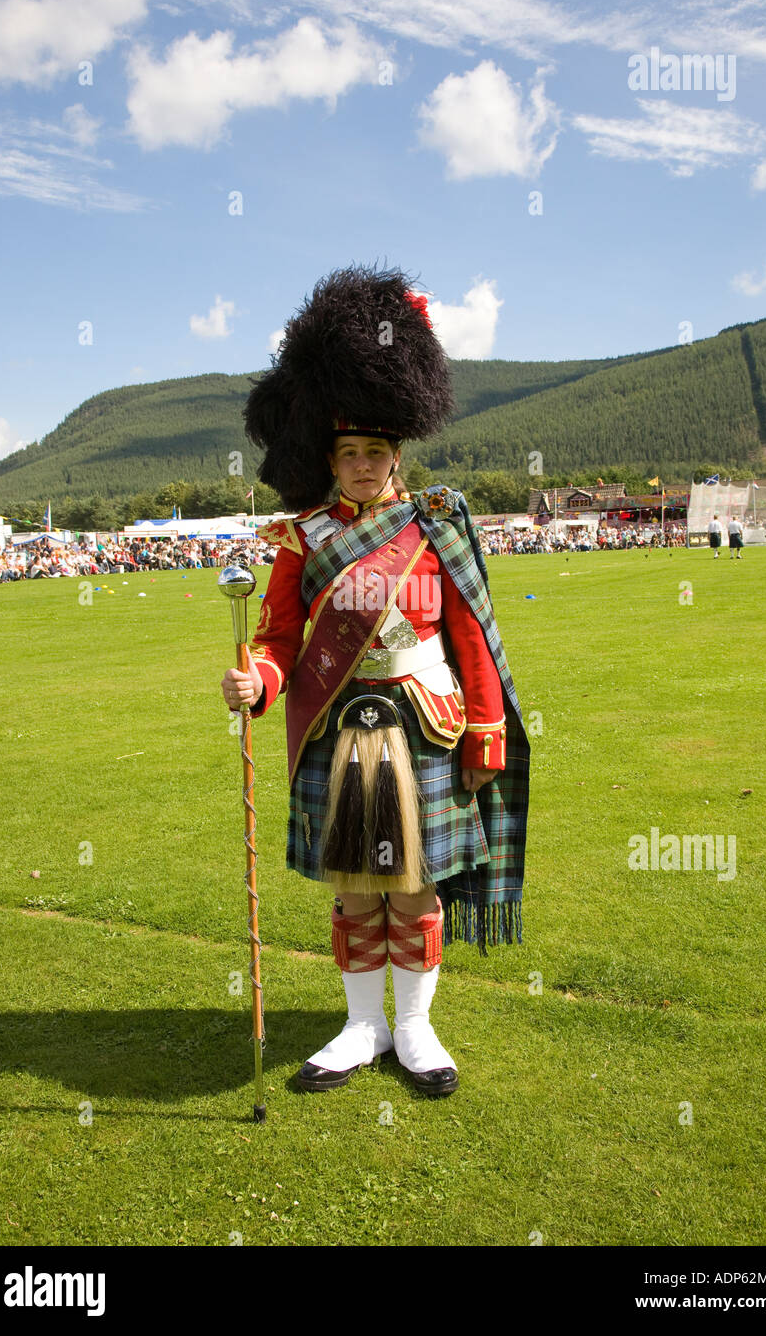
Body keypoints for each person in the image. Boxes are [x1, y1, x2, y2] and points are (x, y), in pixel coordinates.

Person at [221, 265, 529, 1099]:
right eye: (347, 454)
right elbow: (282, 638)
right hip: (341, 726)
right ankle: (362, 1025)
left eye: (375, 452)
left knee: (416, 886)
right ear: (331, 457)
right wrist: (257, 677)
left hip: (427, 722)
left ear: (398, 453)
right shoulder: (302, 539)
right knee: (357, 886)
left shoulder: (435, 524)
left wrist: (486, 735)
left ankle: (417, 1026)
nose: (361, 466)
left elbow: (473, 640)